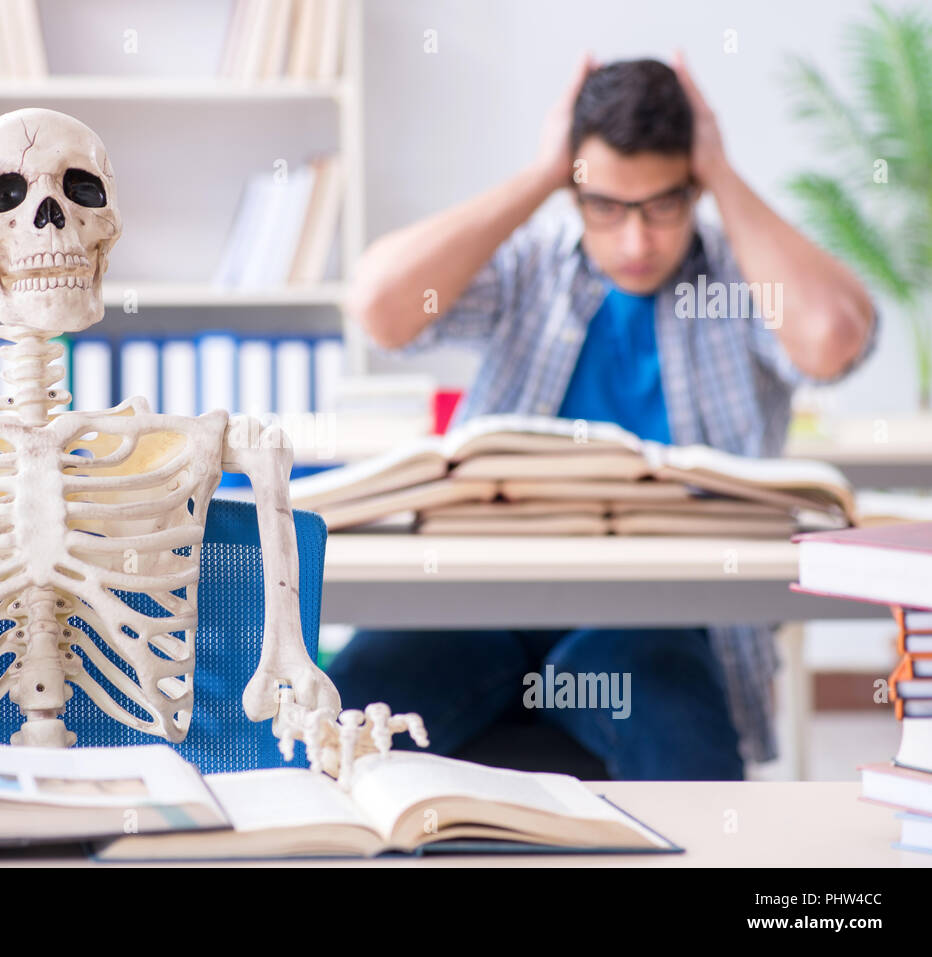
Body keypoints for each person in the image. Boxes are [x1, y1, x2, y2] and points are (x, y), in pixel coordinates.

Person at [326, 55, 878, 780]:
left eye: (663, 206)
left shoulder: (734, 280)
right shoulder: (533, 267)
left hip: (652, 614)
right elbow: (379, 306)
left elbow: (834, 338)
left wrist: (724, 174)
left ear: (694, 186)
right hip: (484, 597)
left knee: (689, 746)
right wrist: (541, 175)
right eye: (606, 208)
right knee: (335, 722)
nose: (636, 242)